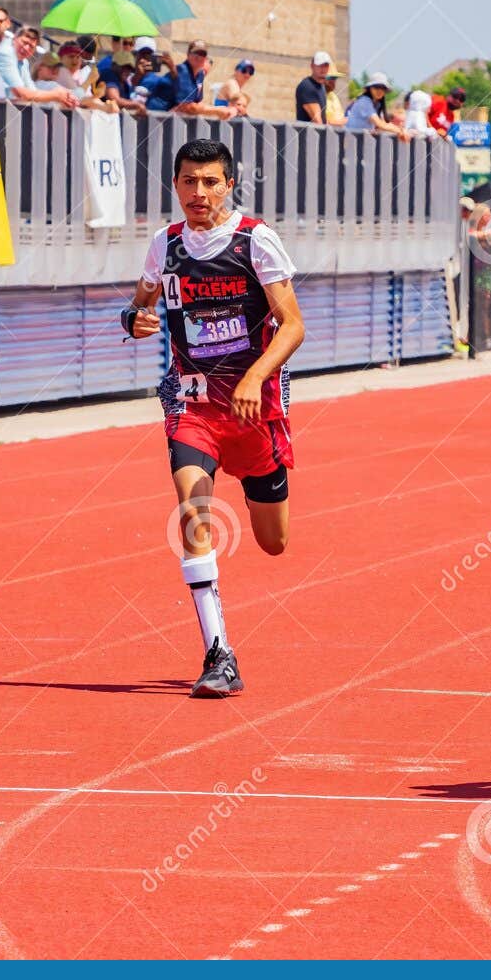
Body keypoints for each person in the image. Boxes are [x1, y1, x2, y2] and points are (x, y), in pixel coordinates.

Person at [121, 138, 305, 698]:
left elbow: (293, 325)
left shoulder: (255, 240)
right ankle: (219, 653)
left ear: (228, 185)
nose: (198, 192)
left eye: (209, 182)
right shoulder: (166, 244)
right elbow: (139, 305)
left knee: (274, 542)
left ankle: (260, 481)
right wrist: (134, 320)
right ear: (175, 184)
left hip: (253, 409)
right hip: (192, 404)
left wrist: (253, 378)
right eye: (188, 181)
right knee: (192, 510)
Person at [345, 73, 410, 138]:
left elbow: (383, 123)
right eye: (376, 87)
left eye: (383, 88)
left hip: (359, 139)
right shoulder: (364, 101)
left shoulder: (376, 104)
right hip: (352, 139)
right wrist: (399, 131)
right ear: (369, 88)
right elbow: (379, 124)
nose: (380, 90)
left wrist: (401, 129)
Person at [295, 50, 333, 123]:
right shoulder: (307, 87)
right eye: (320, 65)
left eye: (326, 65)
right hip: (308, 131)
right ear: (312, 66)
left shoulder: (322, 87)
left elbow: (323, 121)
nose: (323, 69)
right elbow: (318, 122)